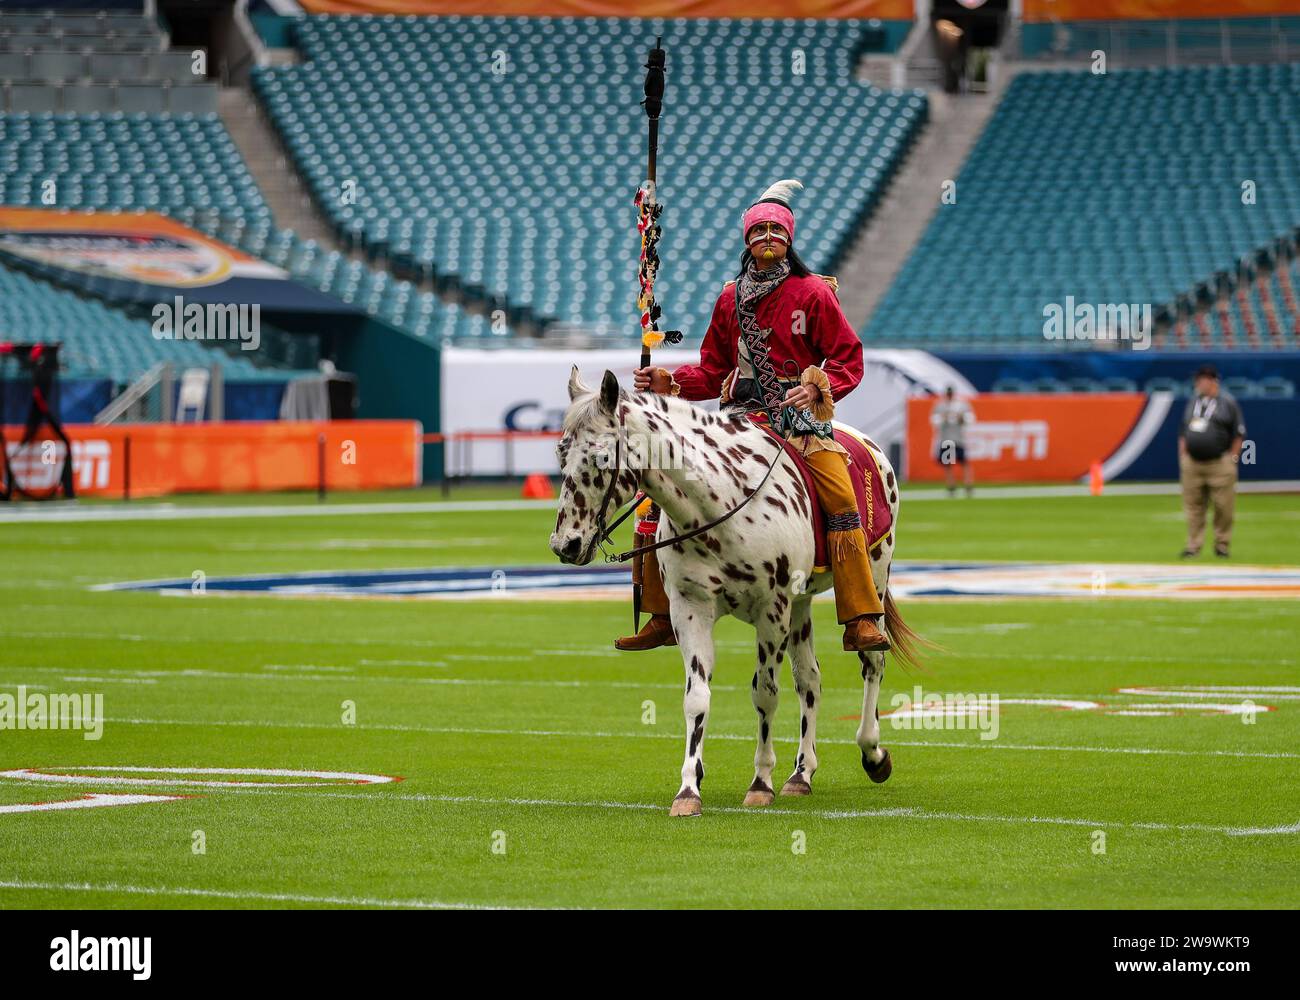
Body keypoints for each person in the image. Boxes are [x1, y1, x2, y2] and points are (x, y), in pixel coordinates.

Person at [617, 178, 889, 654]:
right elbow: (713, 369)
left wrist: (816, 386)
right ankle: (661, 613)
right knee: (659, 487)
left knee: (840, 498)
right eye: (758, 231)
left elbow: (849, 358)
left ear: (789, 238)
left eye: (775, 230)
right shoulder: (730, 299)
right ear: (747, 239)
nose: (767, 238)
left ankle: (861, 617)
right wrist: (670, 383)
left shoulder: (814, 293)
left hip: (800, 421)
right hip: (739, 418)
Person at [1178, 364, 1246, 558]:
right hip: (1193, 463)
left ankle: (1222, 545)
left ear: (1213, 381)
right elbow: (1183, 431)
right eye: (1198, 379)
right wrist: (1183, 457)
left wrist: (1232, 459)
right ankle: (1193, 546)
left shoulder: (1228, 402)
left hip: (1219, 463)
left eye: (1203, 379)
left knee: (1224, 506)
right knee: (1193, 507)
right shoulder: (1193, 402)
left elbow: (1238, 433)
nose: (1198, 383)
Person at [930, 385, 974, 496]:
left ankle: (968, 485)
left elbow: (970, 418)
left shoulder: (962, 404)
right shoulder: (940, 405)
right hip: (946, 439)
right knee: (948, 464)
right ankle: (951, 486)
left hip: (959, 438)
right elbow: (934, 421)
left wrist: (961, 418)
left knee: (964, 463)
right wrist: (944, 418)